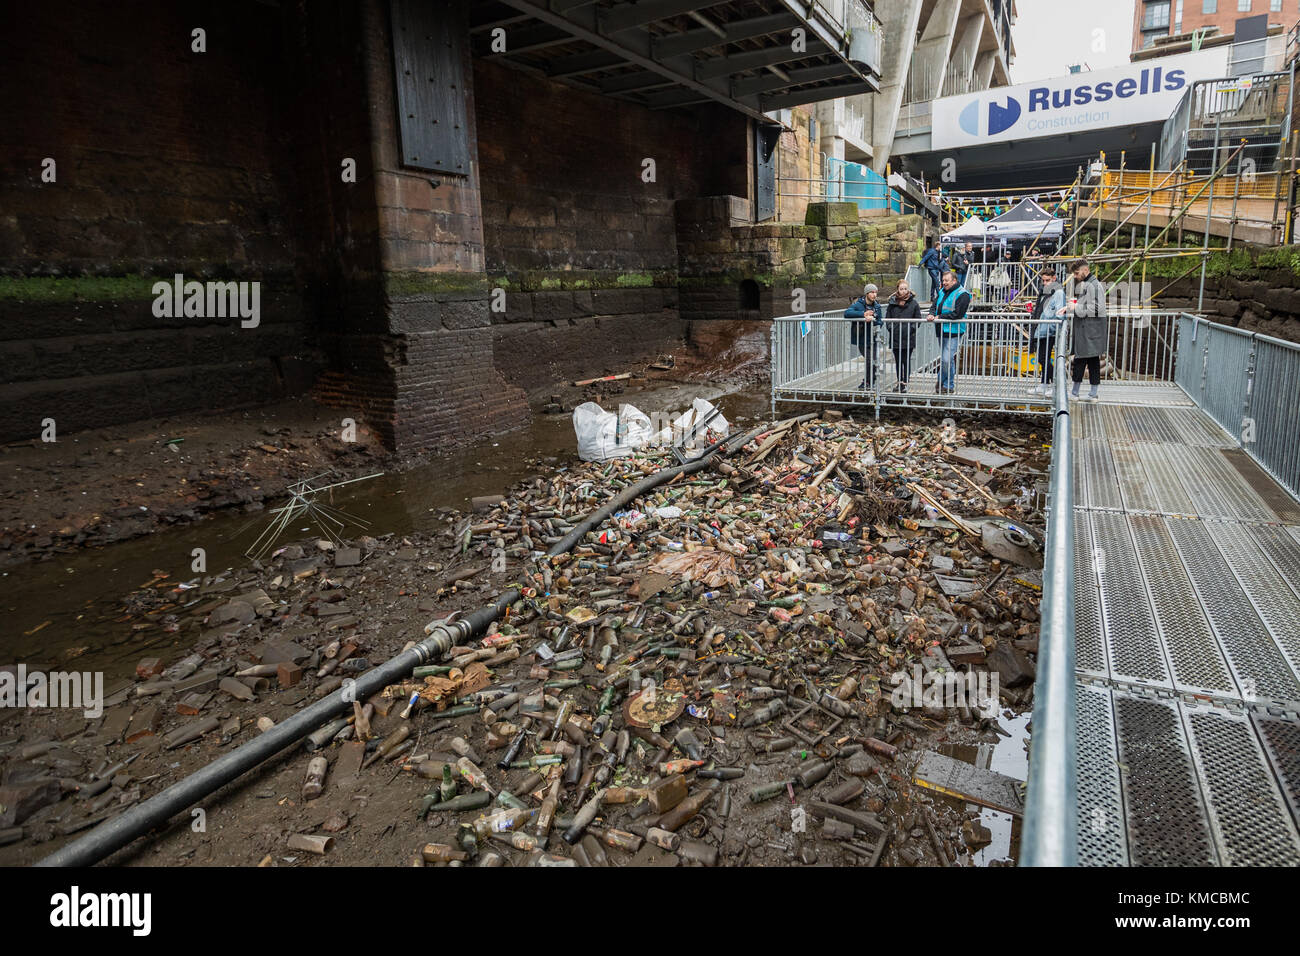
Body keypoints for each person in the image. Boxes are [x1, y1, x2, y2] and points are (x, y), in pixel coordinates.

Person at [1066, 257, 1108, 402]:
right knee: (1092, 362)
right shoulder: (1089, 284)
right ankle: (1092, 394)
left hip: (1089, 331)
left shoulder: (1093, 285)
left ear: (1085, 270)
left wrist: (1075, 307)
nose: (1076, 276)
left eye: (1077, 273)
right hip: (1090, 331)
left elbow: (1097, 308)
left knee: (1081, 360)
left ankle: (1076, 393)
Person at [927, 270, 970, 394]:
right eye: (943, 280)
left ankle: (945, 383)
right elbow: (934, 305)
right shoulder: (942, 291)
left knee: (946, 359)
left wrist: (939, 317)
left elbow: (958, 314)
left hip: (954, 331)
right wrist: (931, 313)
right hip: (941, 329)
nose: (944, 283)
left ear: (954, 280)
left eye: (946, 280)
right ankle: (945, 384)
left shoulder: (963, 294)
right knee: (947, 359)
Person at [1028, 264, 1066, 397]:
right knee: (1042, 357)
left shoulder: (1059, 293)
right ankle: (1044, 384)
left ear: (1054, 279)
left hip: (1049, 329)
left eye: (1047, 280)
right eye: (1043, 280)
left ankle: (1055, 385)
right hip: (1042, 328)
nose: (1045, 283)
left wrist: (1055, 326)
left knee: (1043, 357)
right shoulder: (1044, 291)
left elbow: (1060, 311)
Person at [885, 278, 922, 392]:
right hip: (895, 336)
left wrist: (911, 329)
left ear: (908, 290)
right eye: (901, 289)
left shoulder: (914, 303)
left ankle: (905, 382)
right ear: (898, 290)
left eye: (905, 288)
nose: (904, 291)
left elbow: (918, 319)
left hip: (908, 337)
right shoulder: (892, 303)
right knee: (898, 361)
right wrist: (891, 328)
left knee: (906, 360)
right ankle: (899, 382)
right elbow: (887, 319)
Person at [845, 282, 883, 390]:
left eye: (876, 292)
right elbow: (847, 313)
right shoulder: (859, 304)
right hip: (862, 338)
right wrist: (863, 315)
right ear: (867, 293)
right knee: (870, 360)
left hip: (874, 338)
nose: (874, 295)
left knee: (874, 361)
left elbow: (880, 321)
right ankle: (867, 382)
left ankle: (870, 381)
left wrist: (875, 321)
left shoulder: (877, 306)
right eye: (872, 292)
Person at [920, 237, 943, 302]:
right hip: (931, 268)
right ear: (938, 246)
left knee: (934, 283)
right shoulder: (932, 251)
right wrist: (921, 263)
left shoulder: (938, 252)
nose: (941, 248)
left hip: (936, 269)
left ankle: (932, 297)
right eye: (940, 246)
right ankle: (940, 296)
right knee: (937, 282)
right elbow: (926, 257)